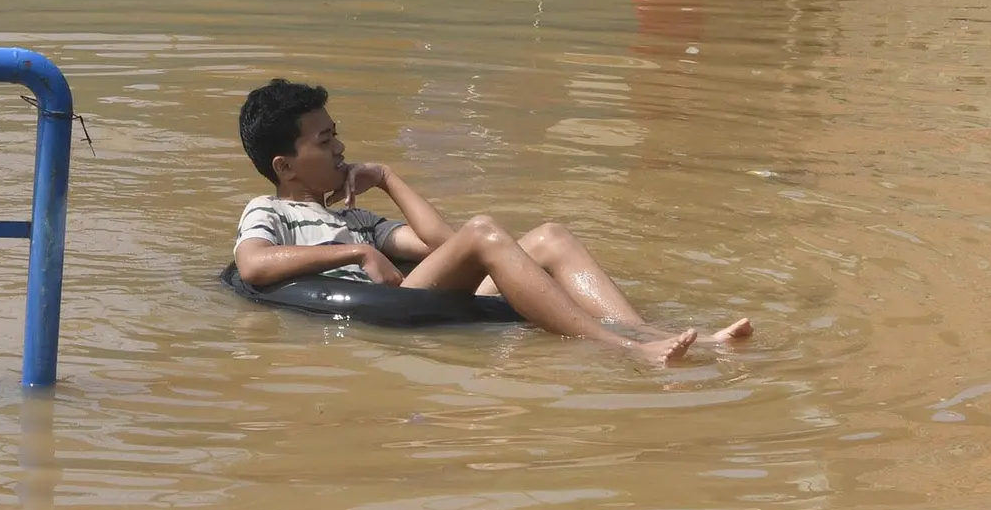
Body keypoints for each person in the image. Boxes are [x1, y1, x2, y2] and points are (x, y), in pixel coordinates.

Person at [231, 80, 749, 367]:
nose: (341, 148)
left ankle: (655, 334)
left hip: (408, 291)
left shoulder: (355, 216)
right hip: (383, 306)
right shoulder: (270, 211)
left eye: (337, 134)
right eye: (325, 141)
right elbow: (253, 264)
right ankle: (628, 350)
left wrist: (388, 177)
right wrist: (358, 252)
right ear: (285, 166)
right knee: (483, 230)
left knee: (550, 236)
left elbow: (444, 244)